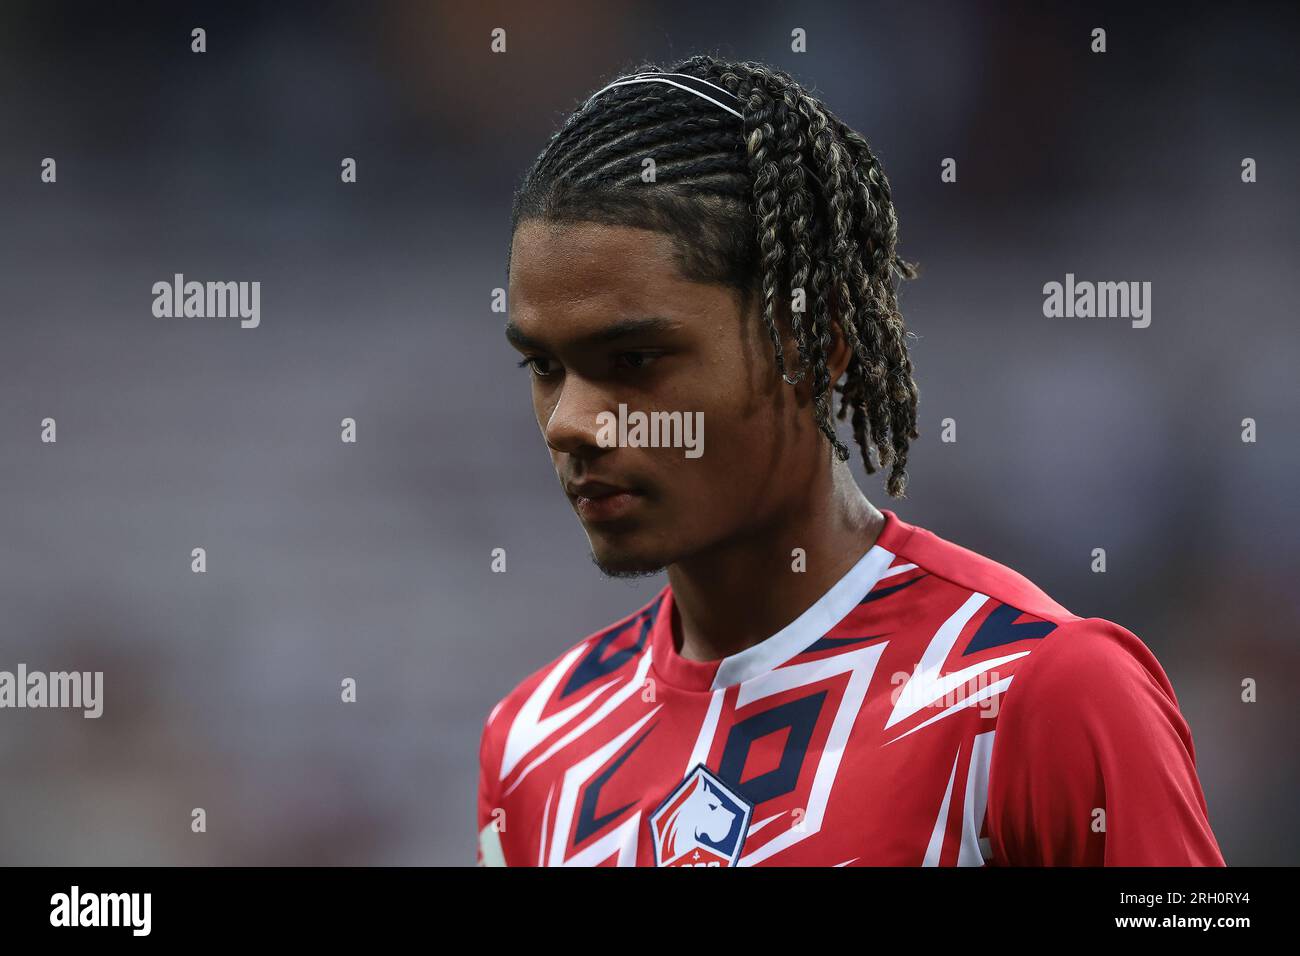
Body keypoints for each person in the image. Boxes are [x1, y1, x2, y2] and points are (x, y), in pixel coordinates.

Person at [478, 55, 1224, 866]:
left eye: (635, 361)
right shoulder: (531, 748)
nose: (572, 423)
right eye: (544, 367)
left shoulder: (1036, 694)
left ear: (813, 346)